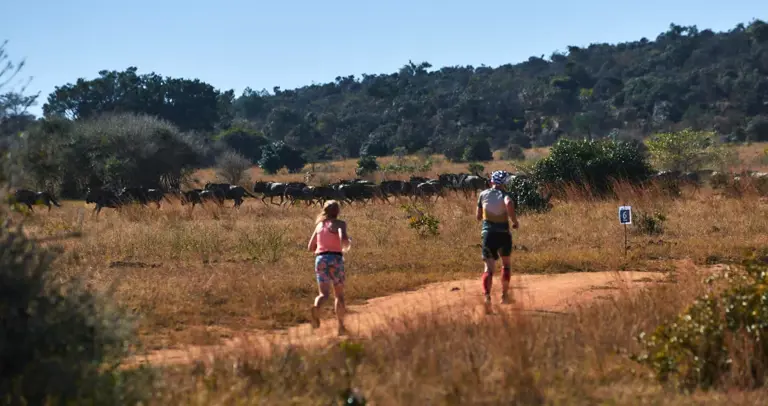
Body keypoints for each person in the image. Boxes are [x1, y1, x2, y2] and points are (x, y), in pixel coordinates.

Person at [476, 170, 519, 314]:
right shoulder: (505, 195)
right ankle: (504, 296)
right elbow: (509, 203)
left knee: (488, 268)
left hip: (488, 234)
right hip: (503, 234)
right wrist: (514, 221)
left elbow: (478, 216)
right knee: (506, 264)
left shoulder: (483, 194)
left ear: (492, 181)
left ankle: (487, 297)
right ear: (505, 183)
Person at [307, 200, 351, 336]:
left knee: (323, 294)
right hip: (336, 258)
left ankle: (316, 307)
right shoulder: (340, 224)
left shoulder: (319, 225)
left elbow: (310, 247)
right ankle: (341, 327)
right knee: (339, 295)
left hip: (320, 259)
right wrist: (346, 243)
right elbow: (343, 239)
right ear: (338, 211)